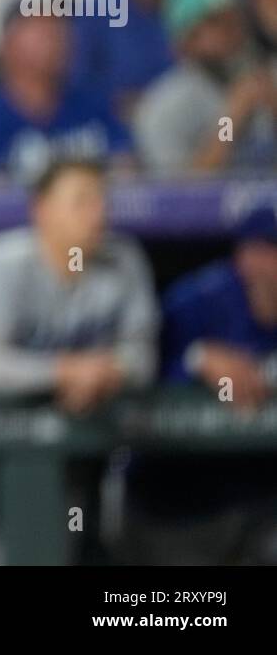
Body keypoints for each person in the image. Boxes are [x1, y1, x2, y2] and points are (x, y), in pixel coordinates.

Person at [0, 157, 158, 565]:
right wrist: (68, 371)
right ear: (42, 210)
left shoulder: (124, 260)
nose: (97, 212)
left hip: (74, 449)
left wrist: (108, 373)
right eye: (81, 201)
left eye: (101, 200)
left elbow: (142, 357)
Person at [120, 200, 277, 564]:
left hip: (261, 506)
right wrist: (195, 360)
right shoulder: (196, 302)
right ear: (247, 258)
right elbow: (135, 379)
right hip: (178, 509)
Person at [0, 9, 134, 176]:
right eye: (44, 32)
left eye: (61, 30)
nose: (59, 39)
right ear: (8, 43)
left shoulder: (92, 105)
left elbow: (127, 167)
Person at [134, 0, 277, 174]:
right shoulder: (164, 107)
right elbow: (181, 195)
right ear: (185, 41)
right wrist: (231, 120)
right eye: (217, 23)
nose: (233, 32)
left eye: (235, 19)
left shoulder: (265, 77)